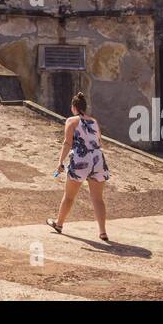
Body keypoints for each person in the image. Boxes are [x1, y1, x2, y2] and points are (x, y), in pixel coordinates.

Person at [47, 92, 111, 241]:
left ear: (73, 107)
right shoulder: (94, 121)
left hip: (81, 159)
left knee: (69, 196)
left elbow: (67, 143)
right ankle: (103, 232)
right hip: (97, 159)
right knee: (98, 199)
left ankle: (59, 224)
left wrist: (60, 162)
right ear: (84, 107)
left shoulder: (71, 121)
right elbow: (99, 141)